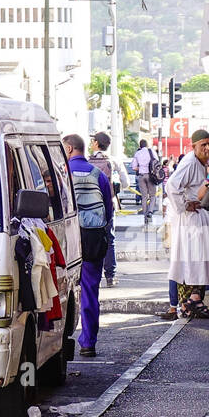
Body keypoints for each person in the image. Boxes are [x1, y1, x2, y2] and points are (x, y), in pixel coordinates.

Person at [64, 134, 113, 357]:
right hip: (92, 238)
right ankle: (88, 342)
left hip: (67, 239)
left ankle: (58, 339)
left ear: (69, 148)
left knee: (58, 289)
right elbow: (109, 211)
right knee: (90, 290)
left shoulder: (62, 173)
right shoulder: (99, 175)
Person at [164, 129, 209, 319]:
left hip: (198, 216)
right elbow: (171, 185)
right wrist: (185, 205)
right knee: (195, 259)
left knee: (199, 258)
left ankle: (190, 301)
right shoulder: (189, 162)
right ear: (193, 146)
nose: (207, 148)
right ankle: (193, 299)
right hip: (191, 218)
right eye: (203, 145)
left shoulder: (201, 161)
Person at [88, 132, 128, 286]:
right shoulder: (113, 160)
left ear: (97, 143)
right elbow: (125, 183)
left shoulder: (88, 160)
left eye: (93, 141)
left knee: (92, 239)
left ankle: (93, 276)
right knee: (110, 239)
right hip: (108, 205)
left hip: (90, 205)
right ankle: (110, 276)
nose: (92, 143)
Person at [133, 138, 160, 223]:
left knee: (144, 196)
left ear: (140, 146)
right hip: (151, 176)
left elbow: (134, 167)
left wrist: (141, 168)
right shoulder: (152, 152)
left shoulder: (137, 153)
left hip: (141, 176)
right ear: (147, 145)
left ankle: (145, 215)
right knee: (152, 195)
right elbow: (157, 162)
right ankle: (150, 212)